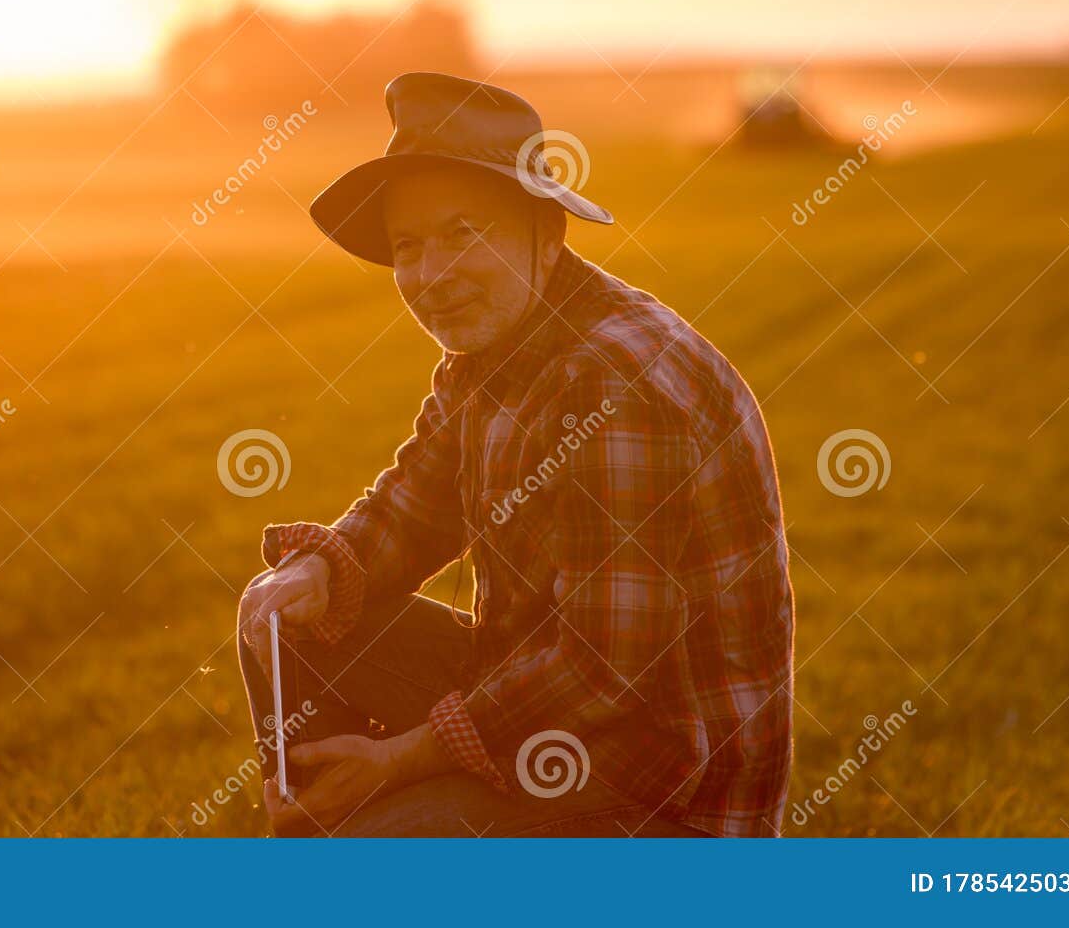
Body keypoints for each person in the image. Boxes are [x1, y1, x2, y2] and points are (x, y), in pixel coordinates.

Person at [237, 72, 793, 836]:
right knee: (281, 611)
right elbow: (414, 504)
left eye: (464, 233)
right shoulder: (491, 346)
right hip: (543, 706)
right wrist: (319, 568)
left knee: (375, 842)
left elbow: (601, 668)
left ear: (546, 230)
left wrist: (401, 758)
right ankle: (326, 813)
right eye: (410, 246)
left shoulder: (615, 381)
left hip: (658, 788)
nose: (433, 277)